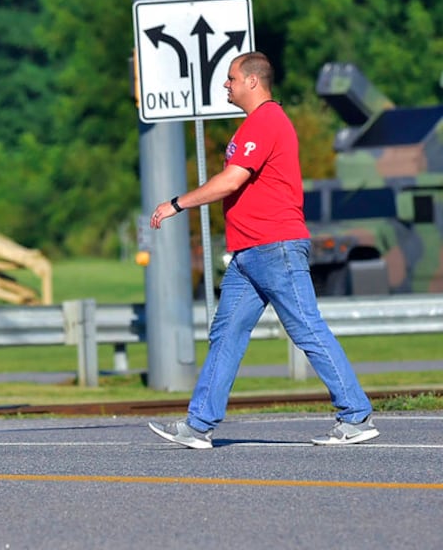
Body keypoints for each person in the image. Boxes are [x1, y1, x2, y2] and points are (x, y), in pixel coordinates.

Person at [147, 52, 379, 449]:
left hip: (276, 247)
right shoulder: (254, 125)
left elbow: (230, 181)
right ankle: (198, 425)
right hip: (249, 252)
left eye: (231, 78)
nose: (226, 85)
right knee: (227, 333)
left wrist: (177, 203)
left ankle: (355, 416)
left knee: (306, 328)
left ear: (253, 81)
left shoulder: (267, 121)